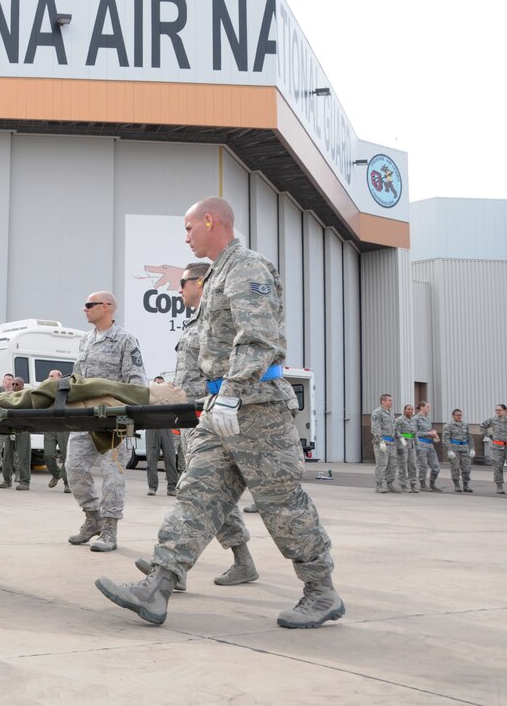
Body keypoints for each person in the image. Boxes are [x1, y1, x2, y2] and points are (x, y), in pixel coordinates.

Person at [96, 197, 342, 629]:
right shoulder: (218, 276)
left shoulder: (246, 267)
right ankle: (158, 586)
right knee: (197, 494)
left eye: (189, 228)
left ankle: (321, 591)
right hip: (219, 409)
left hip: (257, 408)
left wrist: (230, 392)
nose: (186, 236)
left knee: (281, 504)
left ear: (211, 221)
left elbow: (260, 340)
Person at [135, 261, 258, 591]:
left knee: (200, 491)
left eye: (183, 282)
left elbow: (232, 370)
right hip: (191, 418)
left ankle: (175, 566)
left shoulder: (222, 320)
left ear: (201, 283)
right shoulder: (195, 323)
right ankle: (234, 561)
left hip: (213, 415)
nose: (178, 288)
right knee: (207, 493)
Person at [66, 291, 146, 553]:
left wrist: (128, 418)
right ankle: (92, 519)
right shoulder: (85, 340)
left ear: (106, 307)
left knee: (113, 476)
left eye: (89, 305)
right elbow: (78, 379)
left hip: (114, 420)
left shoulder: (125, 340)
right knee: (73, 468)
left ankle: (110, 530)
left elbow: (136, 381)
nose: (84, 309)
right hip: (85, 418)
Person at [0, 376, 32, 490]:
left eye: (16, 384)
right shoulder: (9, 396)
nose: (14, 386)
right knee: (7, 456)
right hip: (10, 430)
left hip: (22, 430)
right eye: (13, 384)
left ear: (22, 386)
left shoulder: (26, 397)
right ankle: (6, 480)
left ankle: (24, 481)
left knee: (24, 457)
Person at [42, 369, 71, 493]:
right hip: (49, 425)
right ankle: (56, 473)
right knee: (48, 454)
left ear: (59, 377)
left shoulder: (66, 387)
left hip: (63, 425)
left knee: (66, 454)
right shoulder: (45, 386)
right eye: (48, 376)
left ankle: (67, 482)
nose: (49, 378)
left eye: (51, 376)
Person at [370, 394, 401, 494]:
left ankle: (390, 484)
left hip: (392, 443)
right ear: (383, 401)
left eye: (392, 400)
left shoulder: (390, 413)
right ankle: (379, 485)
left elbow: (395, 428)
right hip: (382, 443)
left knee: (392, 465)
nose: (391, 402)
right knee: (382, 464)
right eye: (389, 400)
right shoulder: (377, 413)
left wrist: (401, 439)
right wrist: (381, 442)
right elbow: (375, 429)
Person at [442, 408, 474, 493]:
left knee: (466, 467)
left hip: (465, 448)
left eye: (460, 415)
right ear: (453, 416)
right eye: (457, 415)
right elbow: (445, 439)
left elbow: (470, 437)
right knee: (455, 467)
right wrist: (449, 450)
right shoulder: (448, 425)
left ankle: (466, 485)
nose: (459, 417)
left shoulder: (465, 425)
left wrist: (472, 448)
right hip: (454, 448)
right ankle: (457, 485)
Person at [414, 402, 443, 492]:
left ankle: (432, 483)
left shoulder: (428, 418)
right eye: (427, 407)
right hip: (421, 444)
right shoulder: (416, 418)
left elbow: (429, 430)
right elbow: (414, 433)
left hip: (430, 444)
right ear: (422, 407)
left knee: (436, 466)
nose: (429, 409)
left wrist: (433, 433)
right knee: (423, 466)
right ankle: (423, 484)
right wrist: (428, 433)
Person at [480, 404, 507, 495]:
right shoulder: (492, 420)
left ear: (505, 411)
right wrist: (490, 435)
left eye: (499, 410)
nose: (497, 412)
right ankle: (499, 486)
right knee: (497, 467)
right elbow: (482, 426)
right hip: (497, 448)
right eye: (496, 410)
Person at [395, 403, 421, 493]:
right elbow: (396, 432)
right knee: (402, 465)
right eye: (408, 409)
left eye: (411, 409)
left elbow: (414, 434)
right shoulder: (399, 420)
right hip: (403, 444)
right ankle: (403, 485)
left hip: (411, 445)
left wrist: (418, 446)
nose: (410, 411)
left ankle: (413, 484)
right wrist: (401, 444)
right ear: (404, 410)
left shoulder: (413, 421)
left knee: (413, 465)